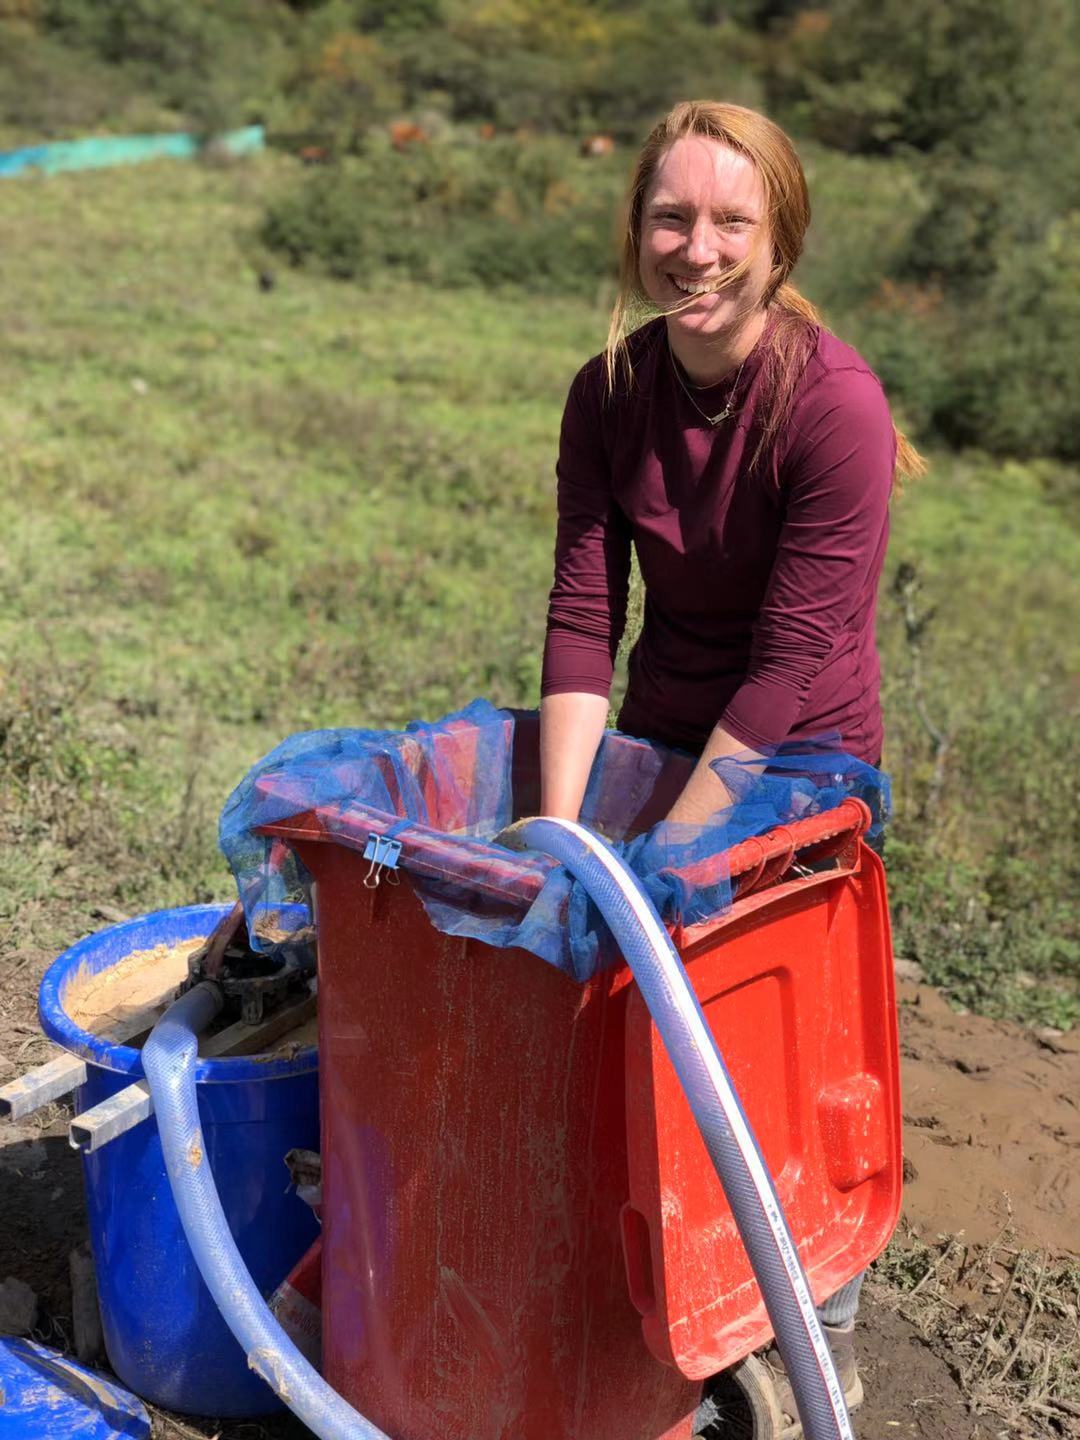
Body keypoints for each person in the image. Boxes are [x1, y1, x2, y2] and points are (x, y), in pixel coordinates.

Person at [538, 100, 923, 1430]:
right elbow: (584, 616)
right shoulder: (610, 392)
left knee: (776, 1041)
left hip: (803, 755)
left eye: (729, 222)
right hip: (661, 732)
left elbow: (788, 660)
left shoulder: (834, 406)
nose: (696, 249)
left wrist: (671, 854)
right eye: (671, 218)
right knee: (634, 1023)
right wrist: (562, 838)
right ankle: (662, 1286)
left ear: (779, 239)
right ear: (636, 230)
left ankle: (824, 1326)